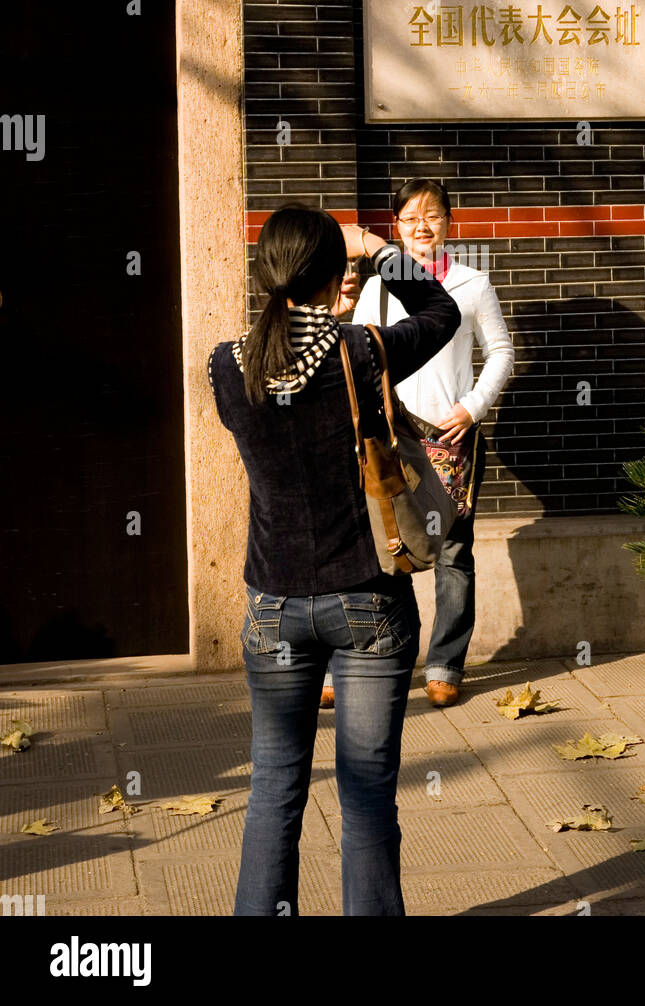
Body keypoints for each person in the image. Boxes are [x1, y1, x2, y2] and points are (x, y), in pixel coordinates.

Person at [208, 203, 460, 916]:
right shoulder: (362, 351)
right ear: (329, 276)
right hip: (367, 597)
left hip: (272, 603)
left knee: (274, 787)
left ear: (268, 273)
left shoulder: (227, 366)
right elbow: (441, 310)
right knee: (368, 790)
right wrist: (379, 248)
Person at [322, 178, 514, 711]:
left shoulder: (473, 284)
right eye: (409, 218)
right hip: (391, 440)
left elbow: (501, 353)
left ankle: (445, 665)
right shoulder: (379, 286)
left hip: (450, 437)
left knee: (454, 551)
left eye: (431, 215)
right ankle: (378, 657)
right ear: (395, 228)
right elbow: (356, 359)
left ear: (450, 223)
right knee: (389, 551)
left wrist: (471, 407)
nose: (421, 226)